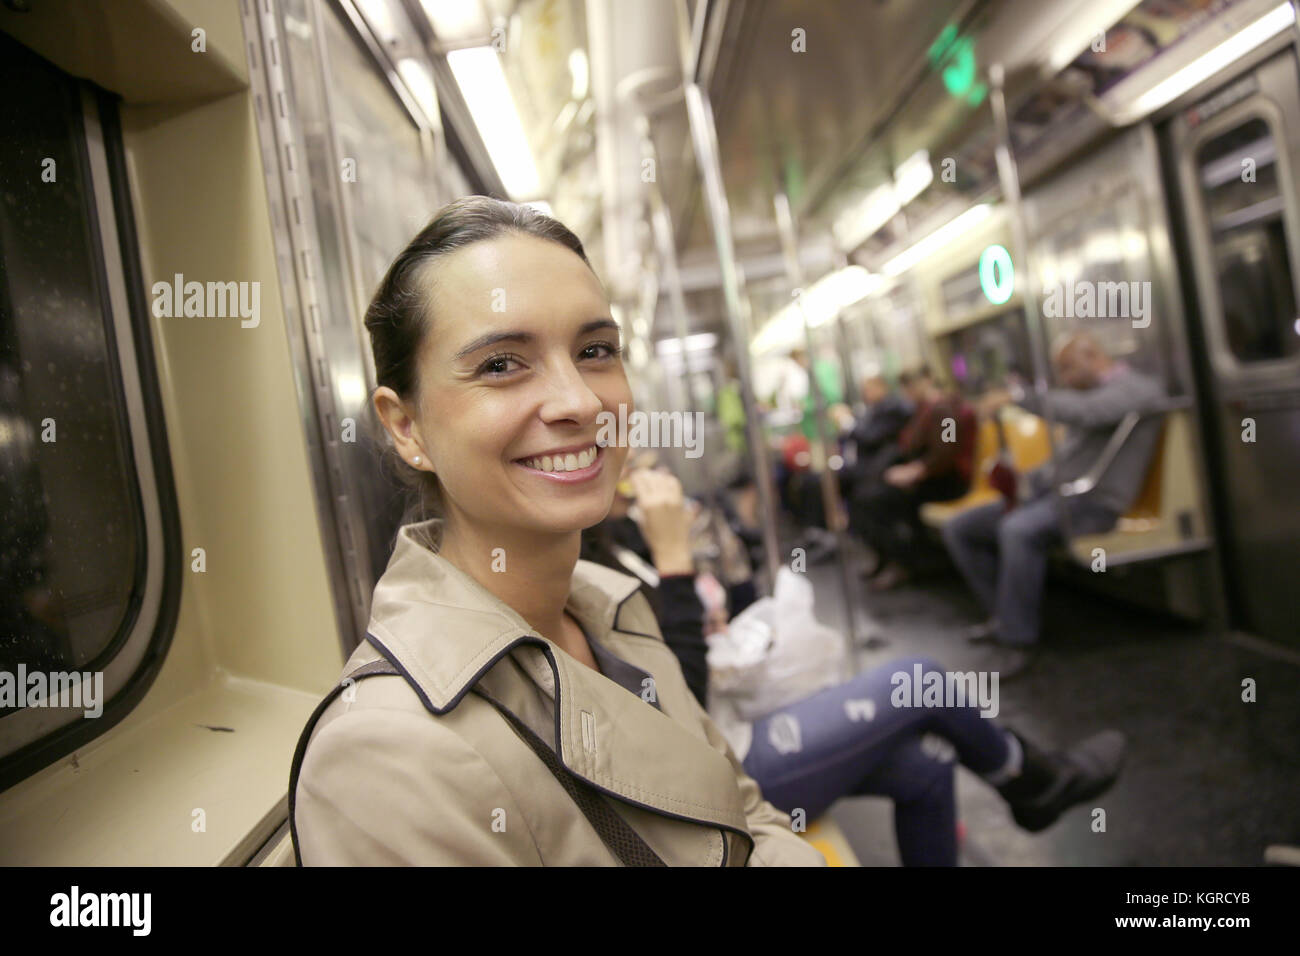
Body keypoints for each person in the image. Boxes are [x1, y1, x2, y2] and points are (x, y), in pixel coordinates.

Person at [291, 196, 824, 866]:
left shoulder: (612, 609)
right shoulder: (381, 755)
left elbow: (742, 815)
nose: (580, 402)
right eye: (501, 364)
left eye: (596, 350)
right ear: (407, 427)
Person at [585, 464, 1127, 866]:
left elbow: (718, 606)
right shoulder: (584, 577)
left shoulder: (620, 544)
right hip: (720, 775)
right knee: (919, 681)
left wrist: (708, 552)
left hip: (734, 734)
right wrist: (677, 568)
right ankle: (1029, 779)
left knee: (929, 763)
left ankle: (1028, 781)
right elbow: (680, 700)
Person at [941, 332, 1165, 674]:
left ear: (1093, 356)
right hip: (1056, 497)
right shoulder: (1088, 394)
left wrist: (1018, 397)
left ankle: (1018, 639)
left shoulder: (1139, 390)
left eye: (1068, 367)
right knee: (961, 527)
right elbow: (1066, 458)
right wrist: (1023, 480)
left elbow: (1090, 413)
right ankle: (1003, 616)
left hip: (1094, 503)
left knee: (1017, 530)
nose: (1064, 378)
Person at [851, 368, 974, 590]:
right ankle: (892, 557)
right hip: (929, 476)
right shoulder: (922, 410)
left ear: (928, 381)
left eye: (913, 384)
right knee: (867, 496)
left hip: (945, 480)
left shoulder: (945, 410)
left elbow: (948, 450)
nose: (909, 391)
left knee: (876, 499)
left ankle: (902, 561)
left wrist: (917, 470)